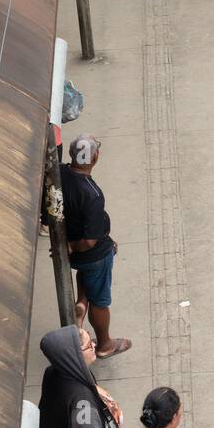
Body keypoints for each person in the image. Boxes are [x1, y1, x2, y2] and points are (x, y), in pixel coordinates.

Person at [60, 134, 131, 360]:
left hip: (76, 254)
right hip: (93, 255)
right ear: (95, 157)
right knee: (100, 301)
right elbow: (90, 241)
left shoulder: (60, 173)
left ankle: (81, 302)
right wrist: (73, 246)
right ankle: (105, 345)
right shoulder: (92, 193)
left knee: (86, 275)